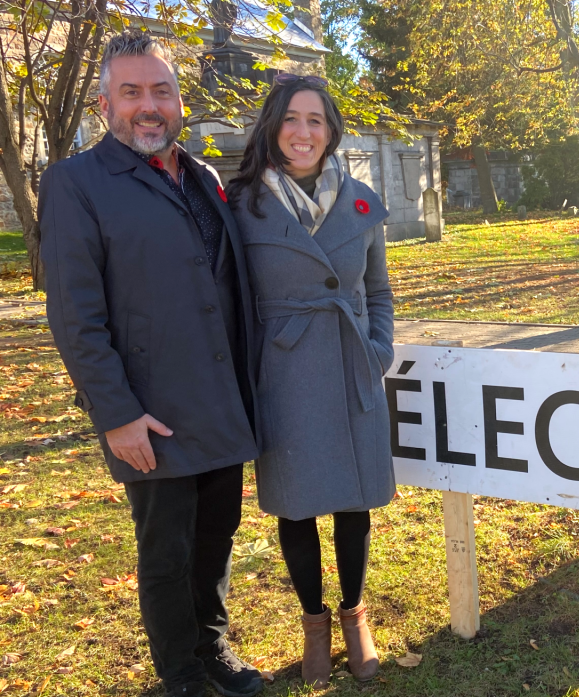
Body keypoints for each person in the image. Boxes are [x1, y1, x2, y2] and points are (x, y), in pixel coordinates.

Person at [39, 30, 263, 697]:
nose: (147, 105)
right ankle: (180, 671)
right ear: (106, 105)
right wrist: (117, 414)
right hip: (152, 409)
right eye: (130, 92)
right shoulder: (75, 183)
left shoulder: (204, 177)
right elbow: (74, 317)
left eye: (160, 90)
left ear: (179, 101)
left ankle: (211, 643)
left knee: (218, 532)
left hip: (222, 397)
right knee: (166, 548)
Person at [226, 75, 396, 687]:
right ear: (273, 126)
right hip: (285, 370)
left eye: (316, 121)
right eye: (292, 119)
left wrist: (378, 350)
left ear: (331, 131)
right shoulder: (240, 204)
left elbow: (377, 290)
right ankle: (314, 623)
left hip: (352, 361)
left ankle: (355, 616)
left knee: (354, 501)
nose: (303, 133)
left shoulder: (360, 202)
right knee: (296, 507)